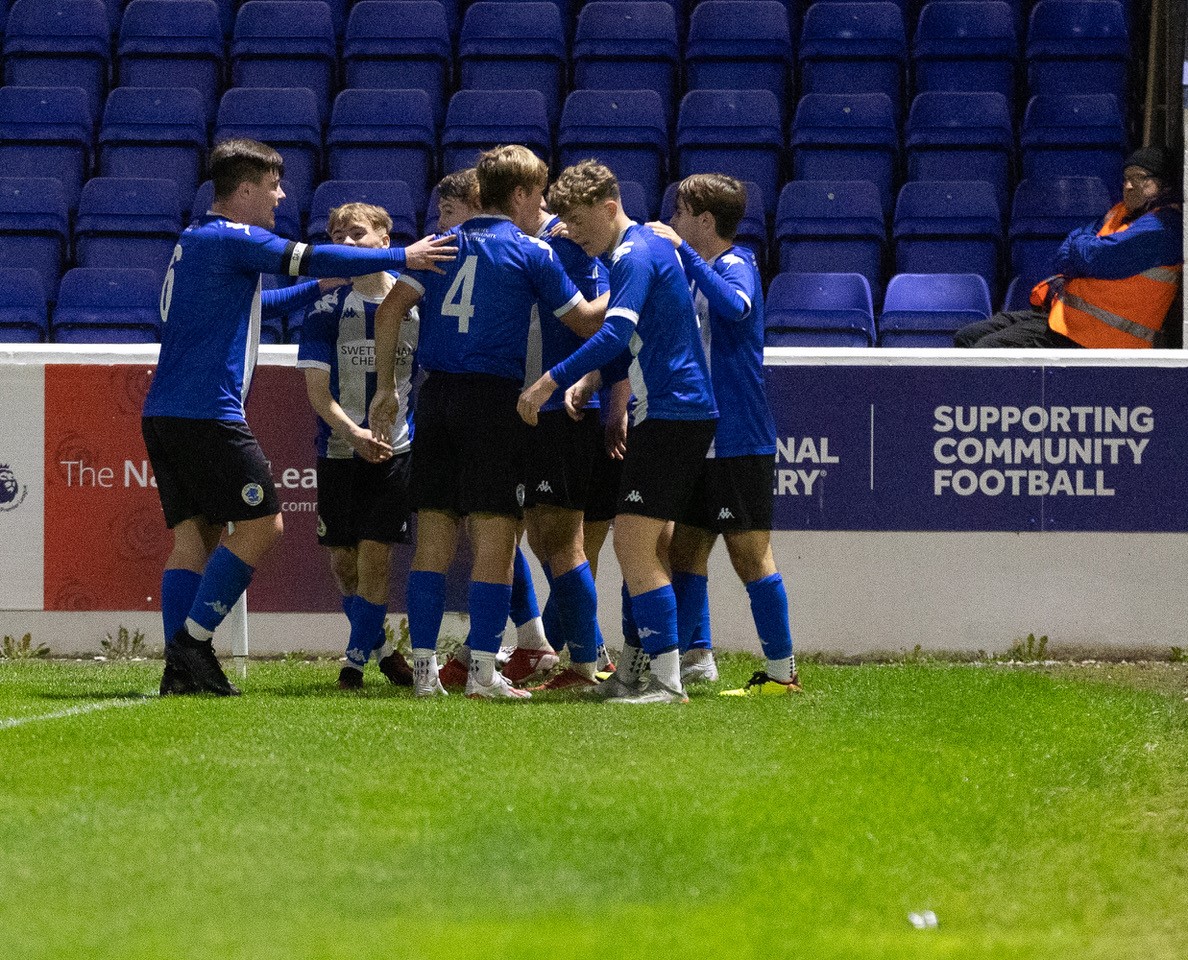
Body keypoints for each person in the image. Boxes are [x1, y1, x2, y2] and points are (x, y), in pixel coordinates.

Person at [144, 138, 455, 696]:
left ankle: (178, 670)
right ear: (243, 190)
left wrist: (320, 287)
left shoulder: (195, 241)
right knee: (265, 526)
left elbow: (264, 305)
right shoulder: (234, 238)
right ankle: (192, 644)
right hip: (206, 413)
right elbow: (310, 255)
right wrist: (400, 257)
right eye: (271, 186)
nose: (281, 196)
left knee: (195, 537)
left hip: (166, 411)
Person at [368, 145, 605, 700]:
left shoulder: (444, 245)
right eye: (540, 193)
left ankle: (424, 671)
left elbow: (388, 309)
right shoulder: (531, 253)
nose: (542, 202)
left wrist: (385, 388)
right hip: (495, 402)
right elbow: (588, 322)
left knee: (433, 541)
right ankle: (481, 672)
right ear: (521, 195)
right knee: (495, 541)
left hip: (436, 396)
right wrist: (634, 271)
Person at [519, 160, 718, 705]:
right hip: (673, 410)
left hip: (675, 410)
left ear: (610, 208)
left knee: (634, 544)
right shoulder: (634, 250)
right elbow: (637, 342)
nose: (571, 232)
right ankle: (637, 671)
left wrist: (551, 381)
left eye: (579, 221)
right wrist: (592, 379)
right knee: (643, 543)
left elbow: (616, 333)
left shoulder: (633, 252)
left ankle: (667, 680)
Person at [647, 174, 801, 696]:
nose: (673, 223)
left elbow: (737, 309)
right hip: (698, 436)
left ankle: (782, 674)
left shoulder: (736, 264)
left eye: (680, 214)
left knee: (750, 556)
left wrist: (684, 257)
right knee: (687, 550)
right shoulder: (696, 271)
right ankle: (683, 661)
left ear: (705, 221)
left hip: (738, 438)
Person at [423, 169, 559, 690]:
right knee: (499, 532)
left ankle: (550, 644)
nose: (442, 226)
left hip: (518, 397)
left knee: (515, 535)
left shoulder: (531, 247)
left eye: (449, 214)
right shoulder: (524, 250)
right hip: (506, 400)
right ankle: (518, 648)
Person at [296, 201, 418, 691]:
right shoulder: (326, 310)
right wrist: (354, 433)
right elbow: (317, 393)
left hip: (395, 451)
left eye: (357, 232)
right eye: (337, 234)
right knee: (345, 563)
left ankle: (352, 665)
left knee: (376, 558)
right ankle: (385, 652)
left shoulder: (414, 304)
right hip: (341, 450)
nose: (345, 242)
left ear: (385, 240)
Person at [955, 147, 1183, 349]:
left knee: (987, 348)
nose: (1129, 186)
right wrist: (1081, 251)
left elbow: (1097, 258)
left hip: (1101, 339)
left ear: (1164, 185)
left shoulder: (1164, 227)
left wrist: (1082, 251)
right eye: (1125, 178)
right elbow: (1065, 253)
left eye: (1140, 178)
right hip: (1068, 320)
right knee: (968, 336)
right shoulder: (1120, 212)